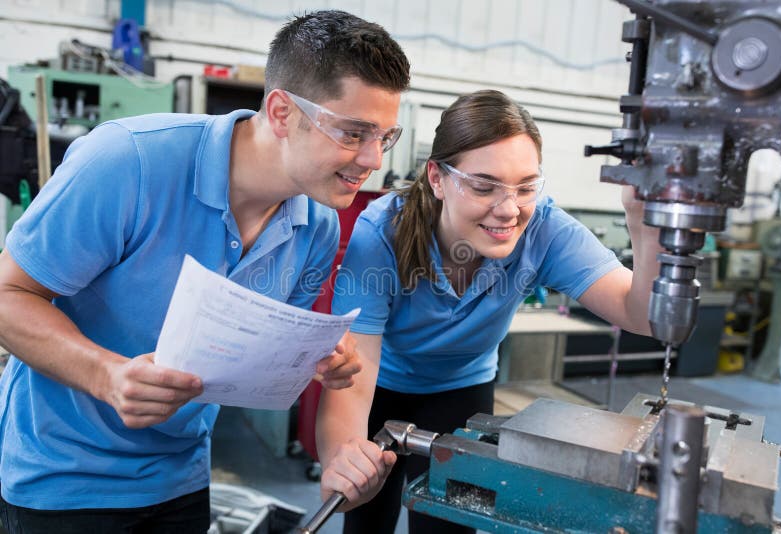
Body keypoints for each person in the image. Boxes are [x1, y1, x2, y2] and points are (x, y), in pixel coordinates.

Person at [0, 10, 409, 534]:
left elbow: (260, 347)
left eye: (385, 137)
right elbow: (9, 292)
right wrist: (107, 376)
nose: (372, 159)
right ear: (282, 112)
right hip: (64, 480)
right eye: (353, 133)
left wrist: (313, 359)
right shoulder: (129, 162)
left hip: (182, 479)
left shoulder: (317, 226)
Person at [316, 89, 662, 533]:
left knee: (449, 523)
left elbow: (642, 315)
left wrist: (644, 226)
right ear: (437, 179)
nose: (508, 209)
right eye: (484, 186)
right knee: (365, 517)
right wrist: (342, 461)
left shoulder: (545, 231)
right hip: (381, 387)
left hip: (463, 388)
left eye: (525, 187)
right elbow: (353, 371)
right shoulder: (382, 233)